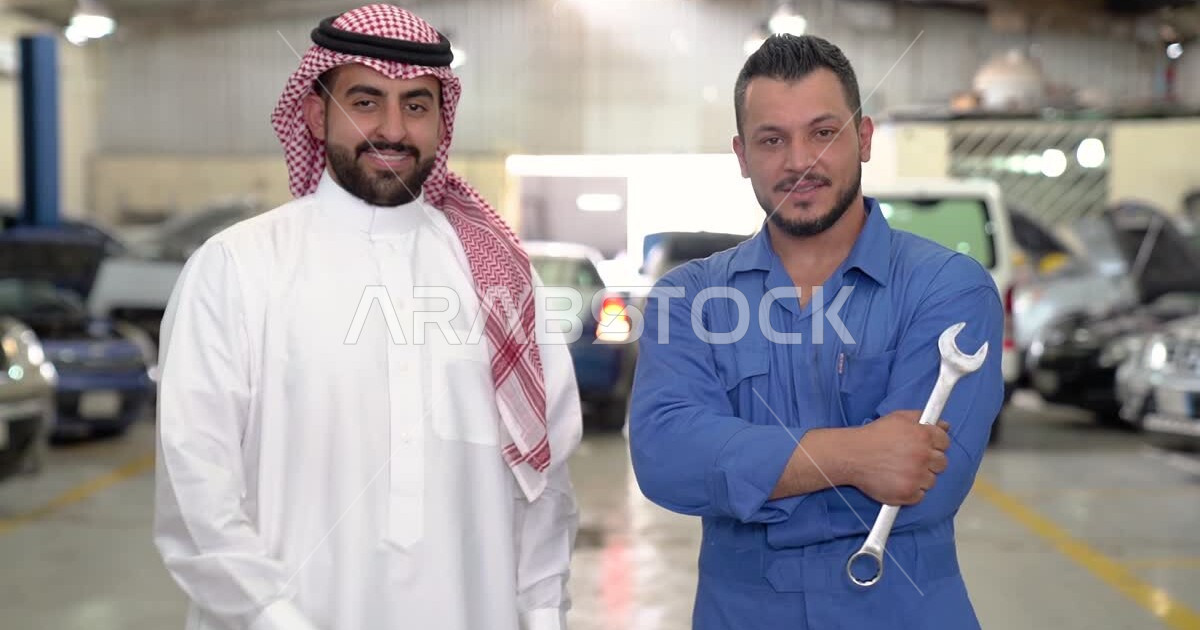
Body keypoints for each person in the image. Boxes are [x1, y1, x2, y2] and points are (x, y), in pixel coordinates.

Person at [152, 5, 582, 630]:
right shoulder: (237, 267)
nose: (393, 128)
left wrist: (544, 618)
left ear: (442, 121)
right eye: (365, 101)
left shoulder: (498, 274)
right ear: (315, 112)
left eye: (416, 105)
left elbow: (543, 482)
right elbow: (196, 484)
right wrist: (274, 619)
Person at [627, 34, 1004, 629]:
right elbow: (666, 461)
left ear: (865, 138)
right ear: (741, 155)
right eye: (771, 139)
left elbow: (926, 484)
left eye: (823, 132)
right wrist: (856, 455)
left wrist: (740, 482)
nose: (799, 160)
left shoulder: (949, 288)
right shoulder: (689, 297)